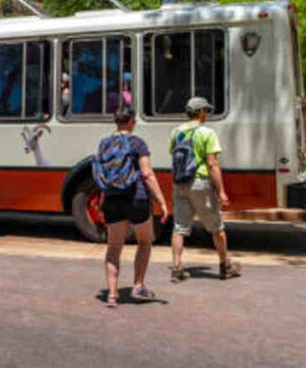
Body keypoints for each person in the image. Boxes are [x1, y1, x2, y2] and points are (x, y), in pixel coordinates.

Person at [94, 105, 169, 308]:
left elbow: (102, 175)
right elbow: (147, 174)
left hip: (112, 200)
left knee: (114, 247)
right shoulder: (137, 143)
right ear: (132, 122)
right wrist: (162, 201)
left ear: (116, 121)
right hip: (136, 198)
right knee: (144, 242)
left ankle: (111, 294)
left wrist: (102, 202)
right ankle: (138, 286)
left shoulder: (104, 144)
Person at [168, 97, 241, 282]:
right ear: (200, 112)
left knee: (179, 228)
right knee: (217, 228)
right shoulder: (207, 133)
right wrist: (221, 191)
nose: (206, 114)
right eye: (206, 111)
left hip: (179, 183)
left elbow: (174, 155)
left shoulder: (176, 132)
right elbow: (212, 164)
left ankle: (177, 268)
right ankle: (225, 266)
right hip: (200, 182)